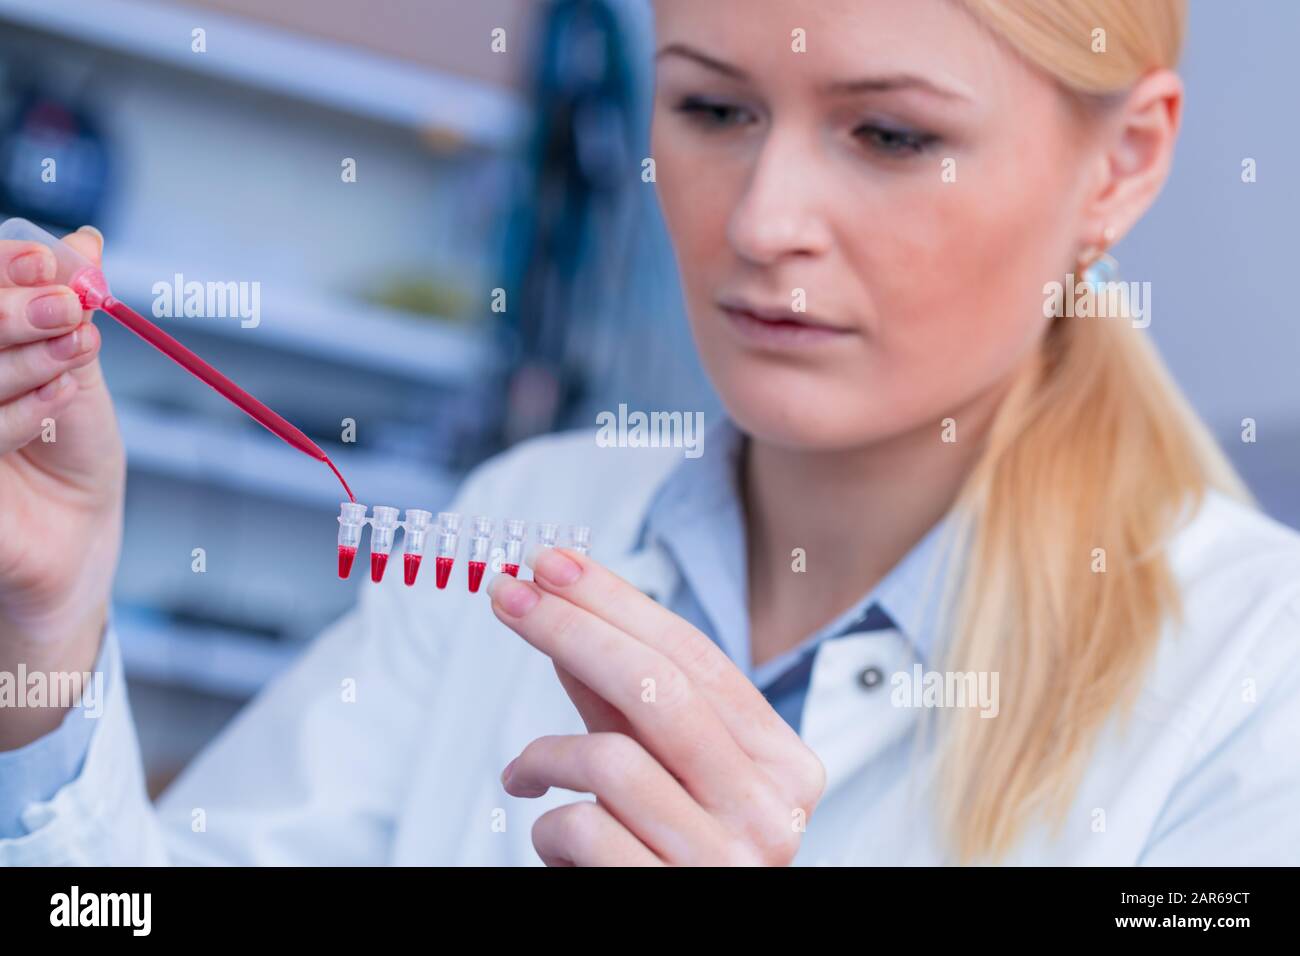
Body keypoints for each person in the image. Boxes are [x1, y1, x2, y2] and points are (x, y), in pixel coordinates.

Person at [1, 0, 1297, 866]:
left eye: (893, 135)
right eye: (716, 111)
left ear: (1123, 163)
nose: (761, 220)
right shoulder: (524, 510)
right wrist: (45, 650)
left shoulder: (1255, 682)